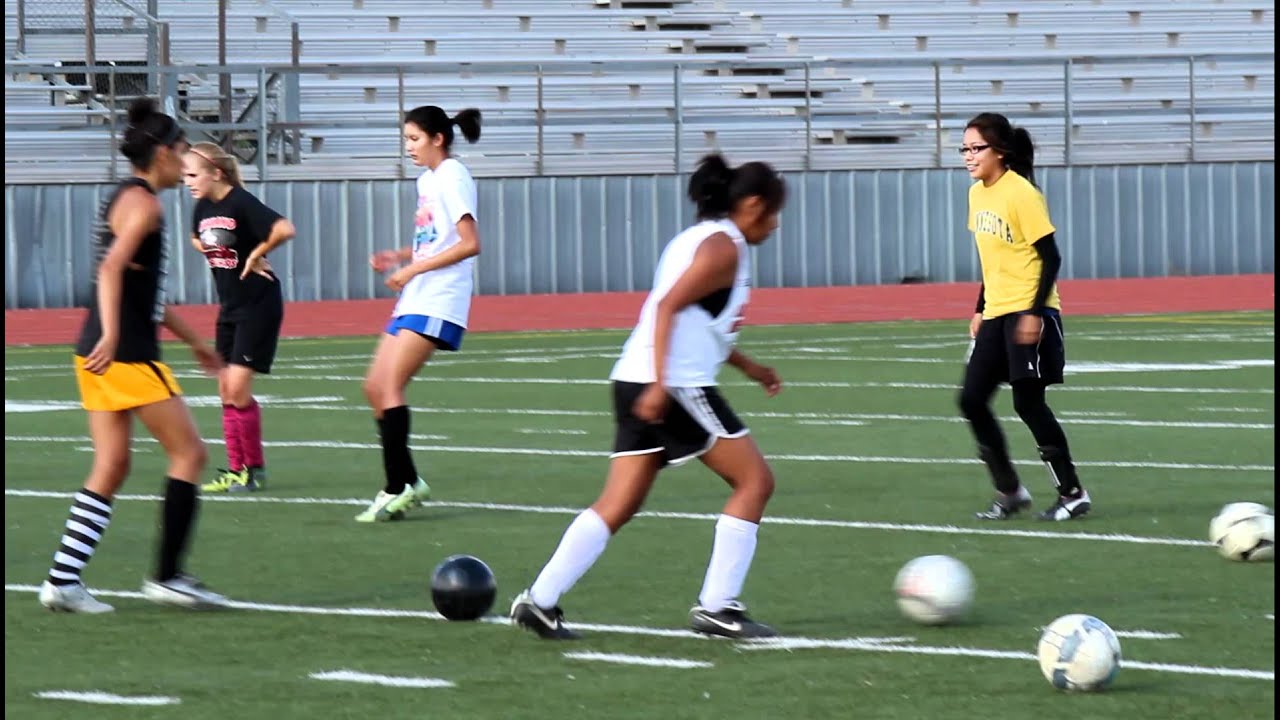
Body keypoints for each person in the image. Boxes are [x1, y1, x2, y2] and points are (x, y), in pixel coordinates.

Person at [510, 153, 787, 640]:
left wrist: (750, 367)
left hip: (634, 379)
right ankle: (718, 606)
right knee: (755, 482)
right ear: (754, 204)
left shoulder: (699, 239)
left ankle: (540, 600)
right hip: (673, 386)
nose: (777, 225)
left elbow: (701, 324)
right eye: (775, 212)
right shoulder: (725, 247)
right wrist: (661, 384)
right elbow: (666, 309)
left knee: (618, 502)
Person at [39, 98, 229, 613]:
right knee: (190, 454)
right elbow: (110, 272)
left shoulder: (126, 197)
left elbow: (149, 297)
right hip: (122, 354)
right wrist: (111, 335)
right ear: (163, 154)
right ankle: (168, 576)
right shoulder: (146, 205)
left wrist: (193, 343)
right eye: (182, 150)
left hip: (101, 350)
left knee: (112, 465)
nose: (186, 160)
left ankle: (63, 580)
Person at [958, 112, 1091, 522]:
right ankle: (1010, 490)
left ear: (999, 151)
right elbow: (991, 259)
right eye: (963, 149)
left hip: (1030, 310)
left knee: (1028, 403)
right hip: (997, 314)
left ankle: (1072, 493)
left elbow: (1051, 257)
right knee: (971, 399)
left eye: (975, 148)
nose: (967, 156)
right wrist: (981, 308)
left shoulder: (1022, 193)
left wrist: (1034, 313)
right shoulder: (977, 194)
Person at [357, 105, 482, 522]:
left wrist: (412, 269)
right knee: (374, 387)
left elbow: (468, 243)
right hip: (417, 293)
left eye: (413, 139)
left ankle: (397, 487)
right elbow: (435, 239)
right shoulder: (427, 180)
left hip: (439, 297)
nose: (407, 147)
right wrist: (399, 256)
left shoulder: (452, 176)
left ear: (438, 139)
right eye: (406, 139)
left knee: (390, 386)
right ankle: (409, 480)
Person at [183, 141, 295, 493]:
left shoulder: (241, 201)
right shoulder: (201, 207)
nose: (186, 181)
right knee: (225, 390)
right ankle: (236, 469)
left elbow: (284, 229)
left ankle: (253, 470)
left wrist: (257, 253)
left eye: (192, 174)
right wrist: (217, 248)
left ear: (215, 172)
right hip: (229, 307)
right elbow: (195, 238)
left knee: (237, 388)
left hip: (258, 304)